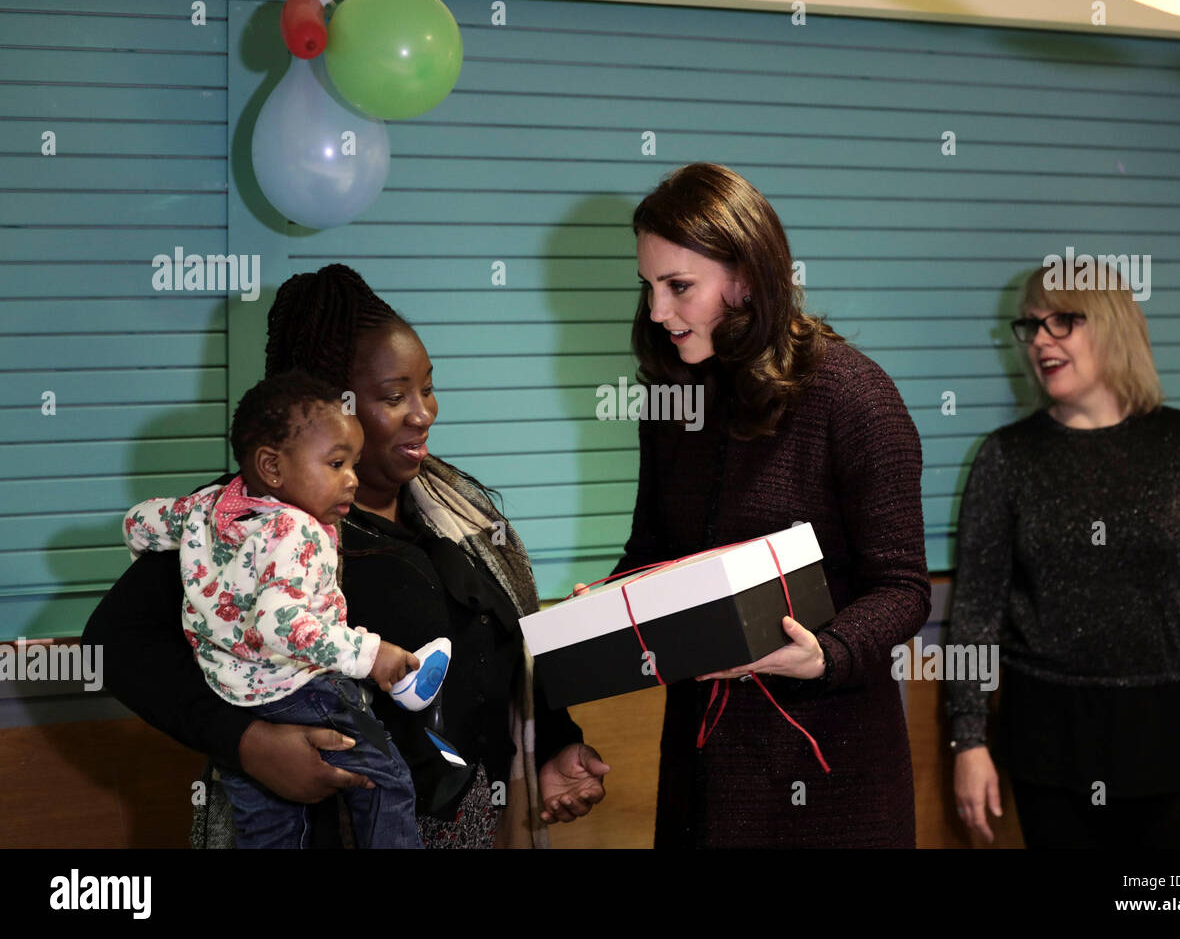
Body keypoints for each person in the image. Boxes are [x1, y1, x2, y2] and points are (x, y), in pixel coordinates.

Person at [85, 265, 609, 848]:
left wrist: (557, 746)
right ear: (329, 409)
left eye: (427, 387)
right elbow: (115, 640)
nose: (424, 413)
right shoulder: (247, 522)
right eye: (394, 397)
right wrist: (248, 743)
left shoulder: (457, 509)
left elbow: (504, 651)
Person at [591, 162, 932, 847]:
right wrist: (609, 603)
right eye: (649, 287)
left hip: (832, 773)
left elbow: (904, 590)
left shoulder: (854, 397)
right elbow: (651, 550)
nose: (657, 312)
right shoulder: (669, 402)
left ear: (746, 278)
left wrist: (826, 653)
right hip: (701, 769)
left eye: (679, 286)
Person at [945, 262, 1180, 848]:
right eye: (1033, 325)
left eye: (1063, 320)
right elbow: (975, 612)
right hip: (1049, 742)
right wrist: (968, 740)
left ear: (1116, 327)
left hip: (1178, 739)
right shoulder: (1005, 458)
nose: (1041, 338)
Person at [124, 370, 430, 847]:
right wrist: (373, 655)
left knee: (271, 825)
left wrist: (167, 558)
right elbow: (278, 623)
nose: (352, 480)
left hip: (233, 697)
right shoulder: (297, 530)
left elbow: (141, 522)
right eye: (335, 464)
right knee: (385, 780)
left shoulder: (208, 507)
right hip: (300, 688)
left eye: (353, 463)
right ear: (272, 467)